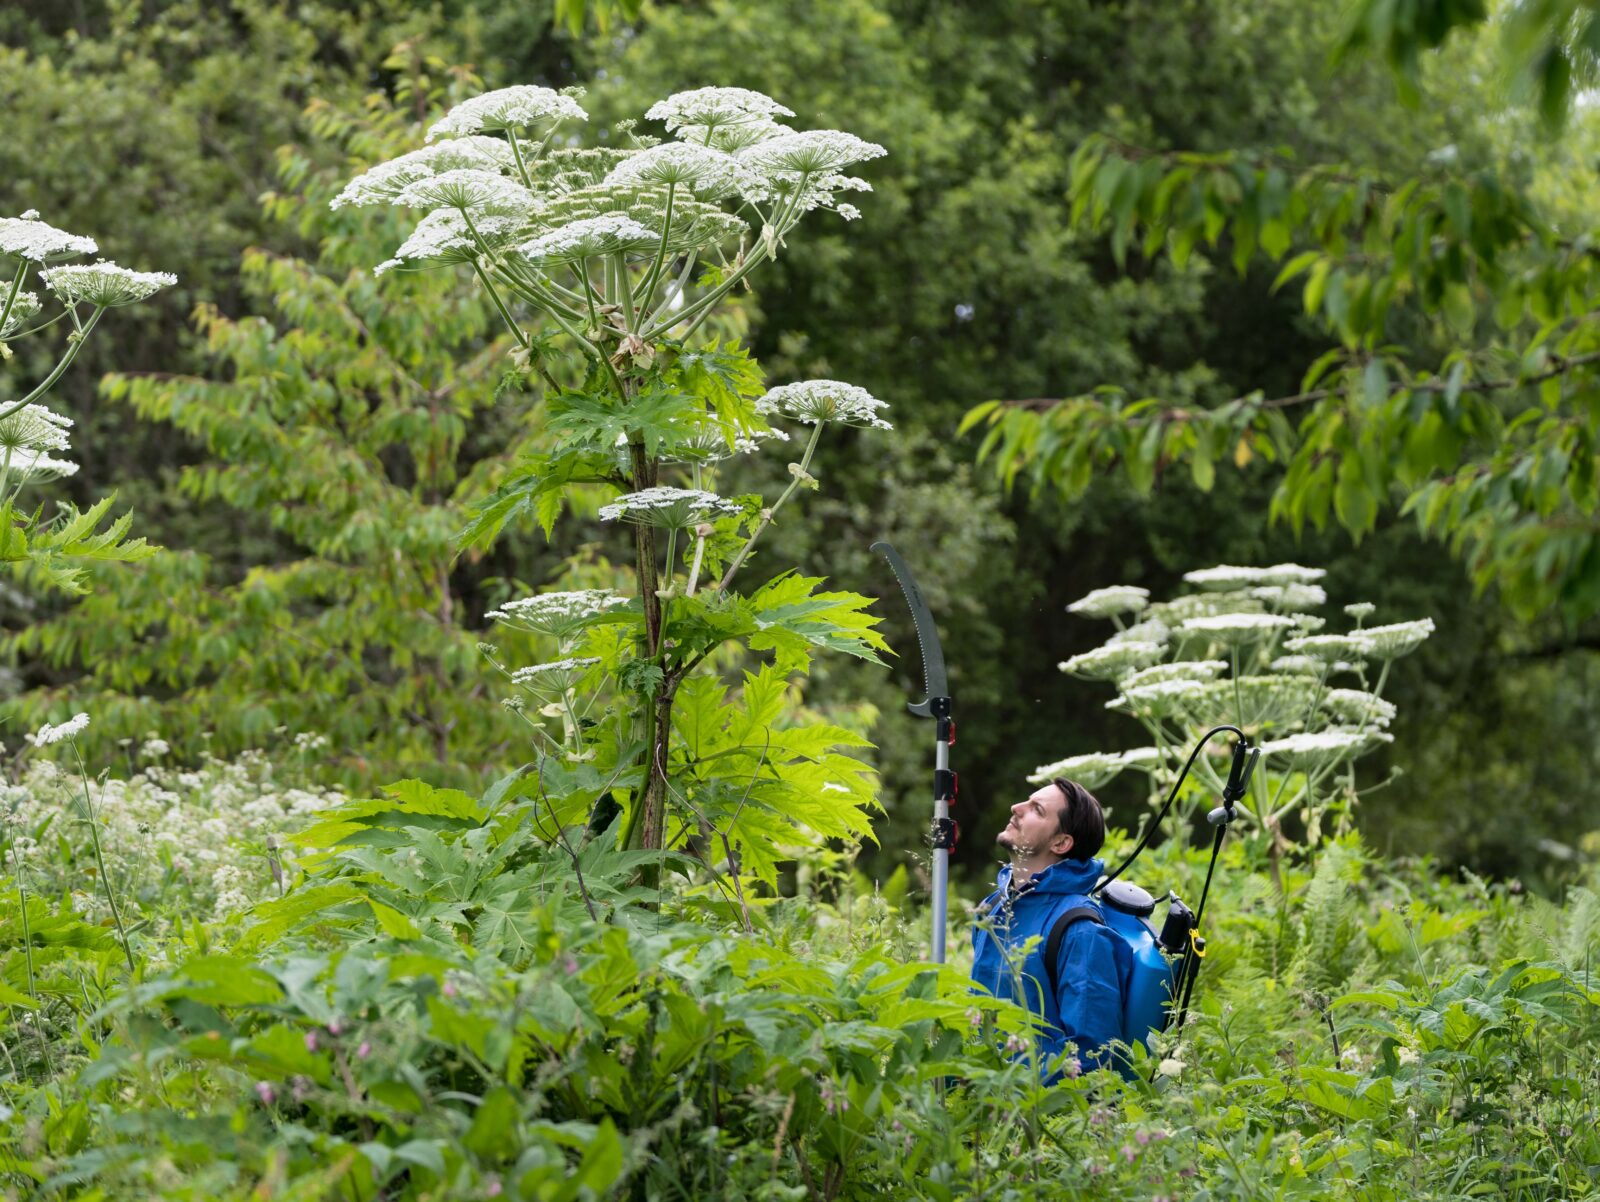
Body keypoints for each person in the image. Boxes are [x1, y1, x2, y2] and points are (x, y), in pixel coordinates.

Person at [969, 777, 1130, 1080]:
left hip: (1034, 1111)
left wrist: (1014, 1096)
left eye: (1037, 809)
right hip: (979, 1107)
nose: (1016, 808)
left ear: (1061, 843)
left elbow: (1090, 1057)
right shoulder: (992, 909)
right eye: (1025, 801)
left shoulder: (1080, 930)